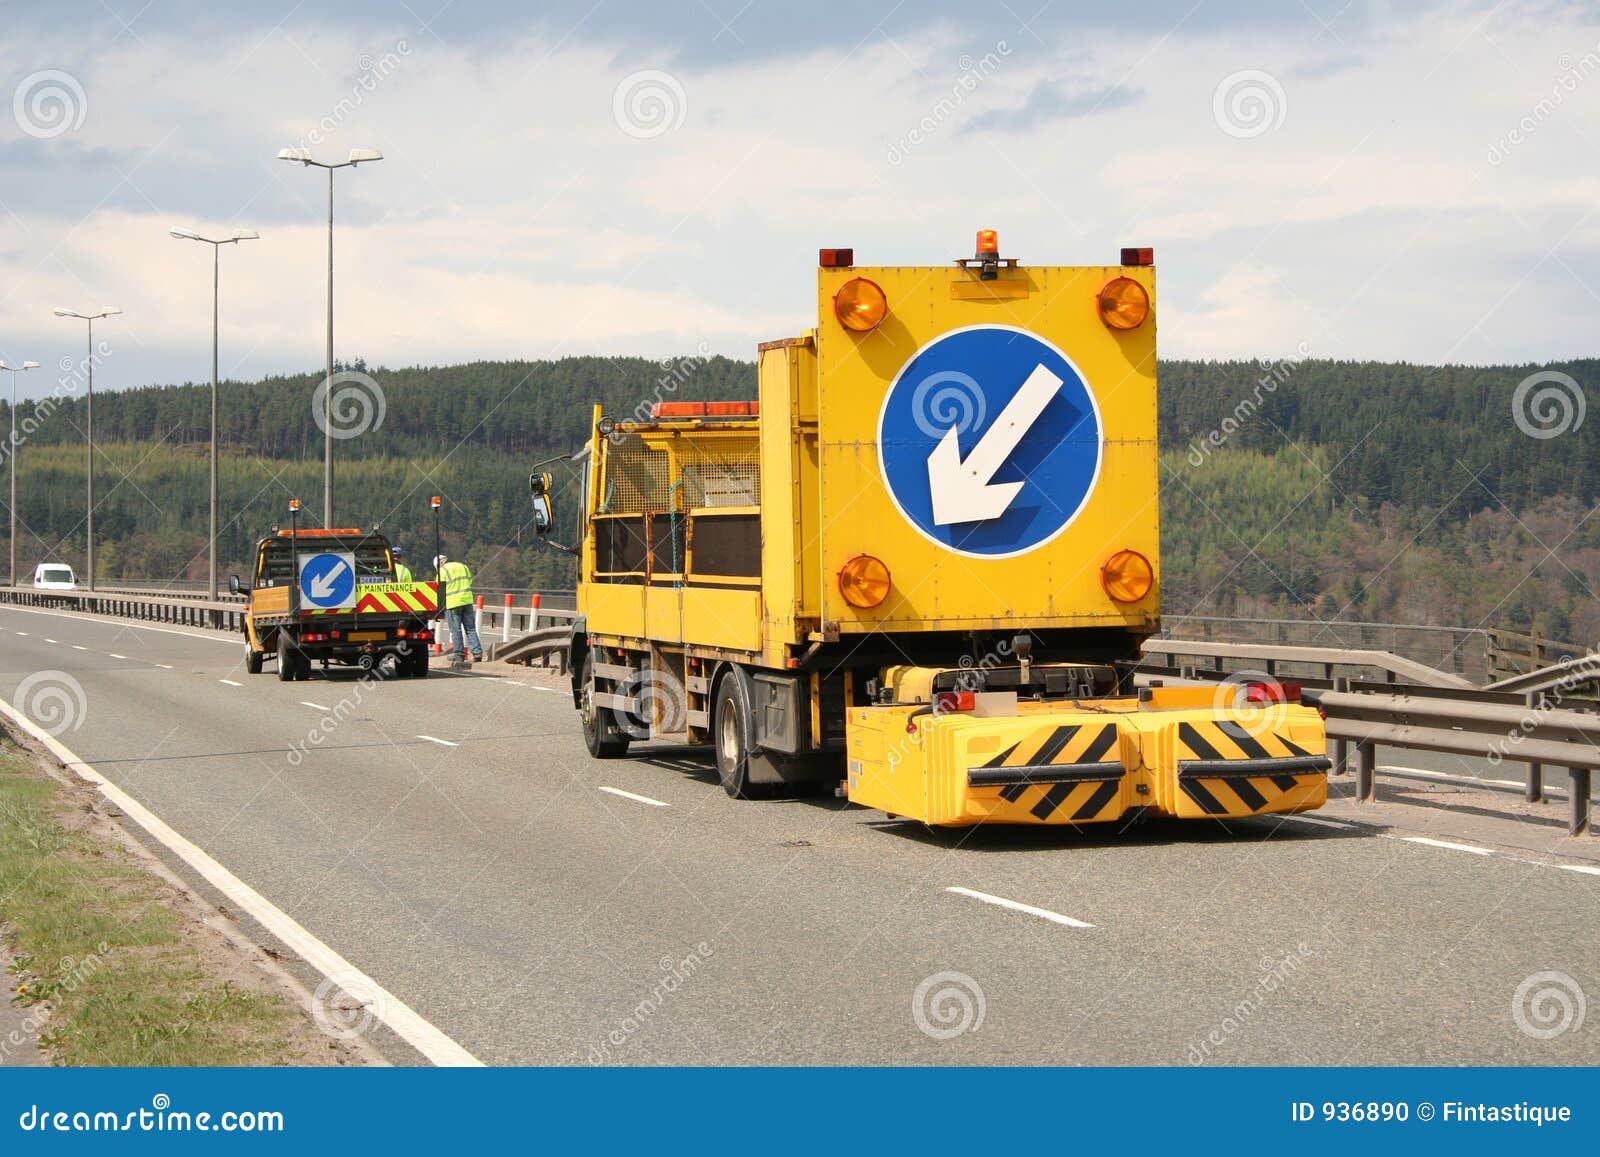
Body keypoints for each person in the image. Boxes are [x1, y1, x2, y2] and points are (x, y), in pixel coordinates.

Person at [434, 552, 483, 664]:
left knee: (455, 630)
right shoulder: (463, 566)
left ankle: (459, 654)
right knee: (470, 629)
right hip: (467, 600)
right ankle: (477, 653)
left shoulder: (442, 571)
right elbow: (469, 581)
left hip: (453, 603)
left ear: (438, 564)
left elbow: (439, 589)